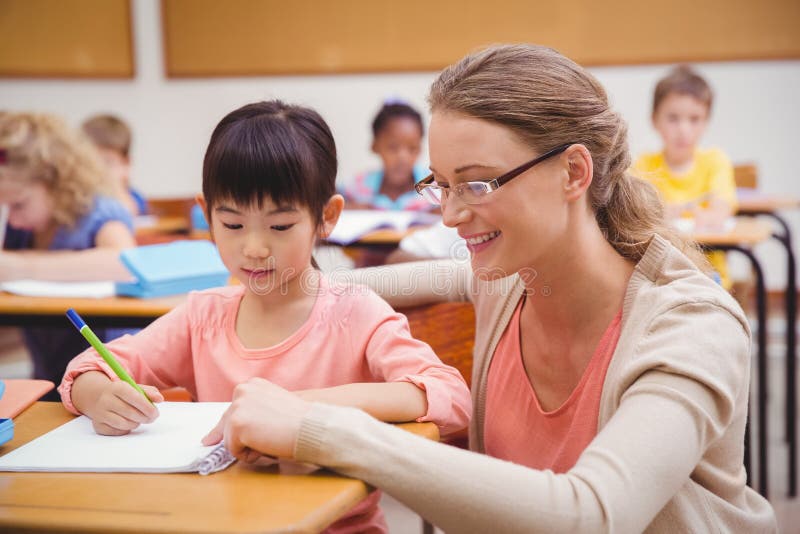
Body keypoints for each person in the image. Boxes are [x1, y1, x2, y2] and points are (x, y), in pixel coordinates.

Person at [202, 46, 776, 532]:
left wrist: (322, 431)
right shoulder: (507, 281)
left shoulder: (691, 326)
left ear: (574, 172)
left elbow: (594, 515)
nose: (450, 214)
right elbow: (384, 281)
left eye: (476, 183)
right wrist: (268, 285)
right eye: (442, 184)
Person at [58, 100, 471, 533]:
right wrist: (97, 395)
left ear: (325, 217)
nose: (254, 248)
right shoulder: (203, 317)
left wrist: (305, 413)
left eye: (279, 227)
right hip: (224, 522)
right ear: (208, 214)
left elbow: (449, 396)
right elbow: (88, 367)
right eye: (233, 225)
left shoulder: (355, 313)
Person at [0, 112, 137, 398]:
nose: (12, 219)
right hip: (49, 381)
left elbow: (124, 261)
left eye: (19, 204)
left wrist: (21, 266)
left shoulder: (97, 211)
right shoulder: (24, 229)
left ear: (55, 180)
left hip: (103, 387)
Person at [632, 65, 737, 288]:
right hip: (660, 277)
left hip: (709, 276)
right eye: (673, 118)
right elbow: (636, 214)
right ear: (654, 120)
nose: (683, 130)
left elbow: (722, 206)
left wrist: (709, 214)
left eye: (694, 119)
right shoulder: (644, 165)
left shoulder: (714, 161)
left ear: (706, 121)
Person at [341, 100, 430, 211]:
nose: (403, 158)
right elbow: (328, 200)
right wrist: (350, 207)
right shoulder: (359, 184)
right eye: (393, 147)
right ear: (375, 146)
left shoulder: (434, 184)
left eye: (412, 148)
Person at [82, 114, 148, 216]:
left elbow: (129, 211)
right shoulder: (80, 196)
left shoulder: (133, 197)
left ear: (126, 164)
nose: (98, 170)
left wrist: (116, 189)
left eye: (107, 162)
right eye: (90, 163)